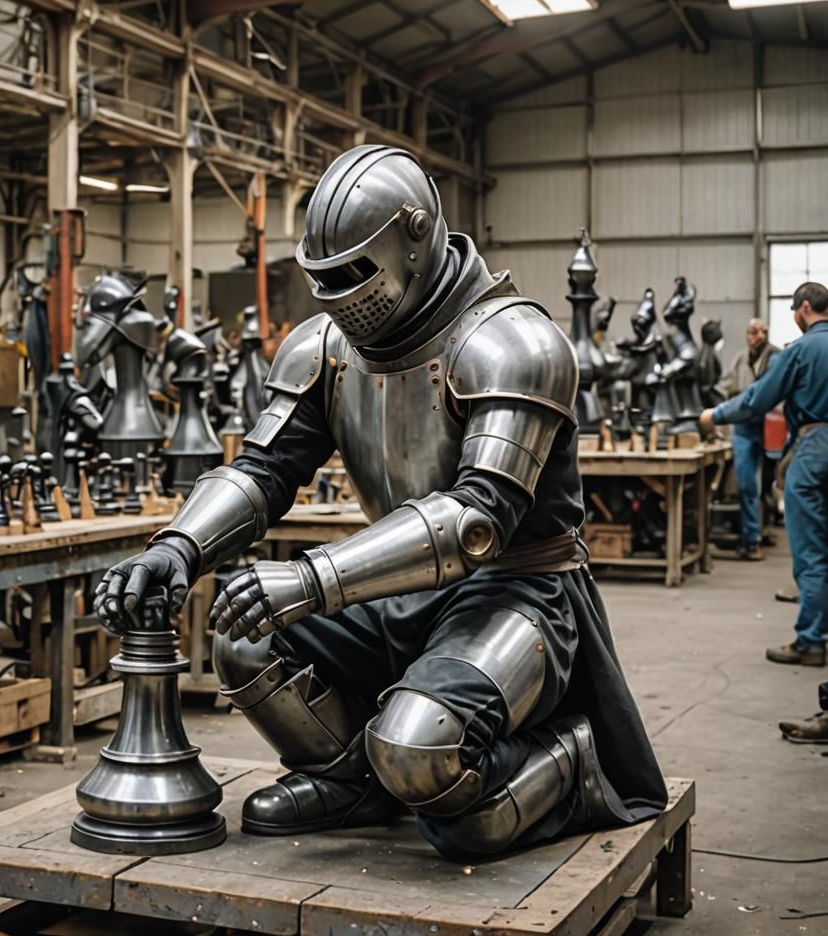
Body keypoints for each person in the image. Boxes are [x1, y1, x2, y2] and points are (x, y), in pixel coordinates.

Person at [95, 145, 666, 860]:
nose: (340, 297)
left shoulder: (512, 342)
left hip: (518, 594)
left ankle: (573, 761)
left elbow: (477, 521)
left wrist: (309, 582)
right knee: (241, 634)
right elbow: (266, 469)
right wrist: (177, 545)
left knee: (425, 758)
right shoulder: (324, 348)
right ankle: (348, 777)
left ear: (417, 233)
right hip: (404, 590)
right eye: (323, 280)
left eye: (355, 274)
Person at [701, 282, 828, 668]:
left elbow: (759, 397)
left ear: (804, 308)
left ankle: (811, 641)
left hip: (814, 450)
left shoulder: (801, 350)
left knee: (811, 553)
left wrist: (714, 415)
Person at [720, 318, 779, 560]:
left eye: (763, 331)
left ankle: (763, 529)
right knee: (746, 485)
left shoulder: (775, 358)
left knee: (767, 484)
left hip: (770, 426)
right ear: (747, 334)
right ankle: (750, 538)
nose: (758, 336)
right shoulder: (740, 359)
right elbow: (725, 385)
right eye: (753, 331)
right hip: (744, 427)